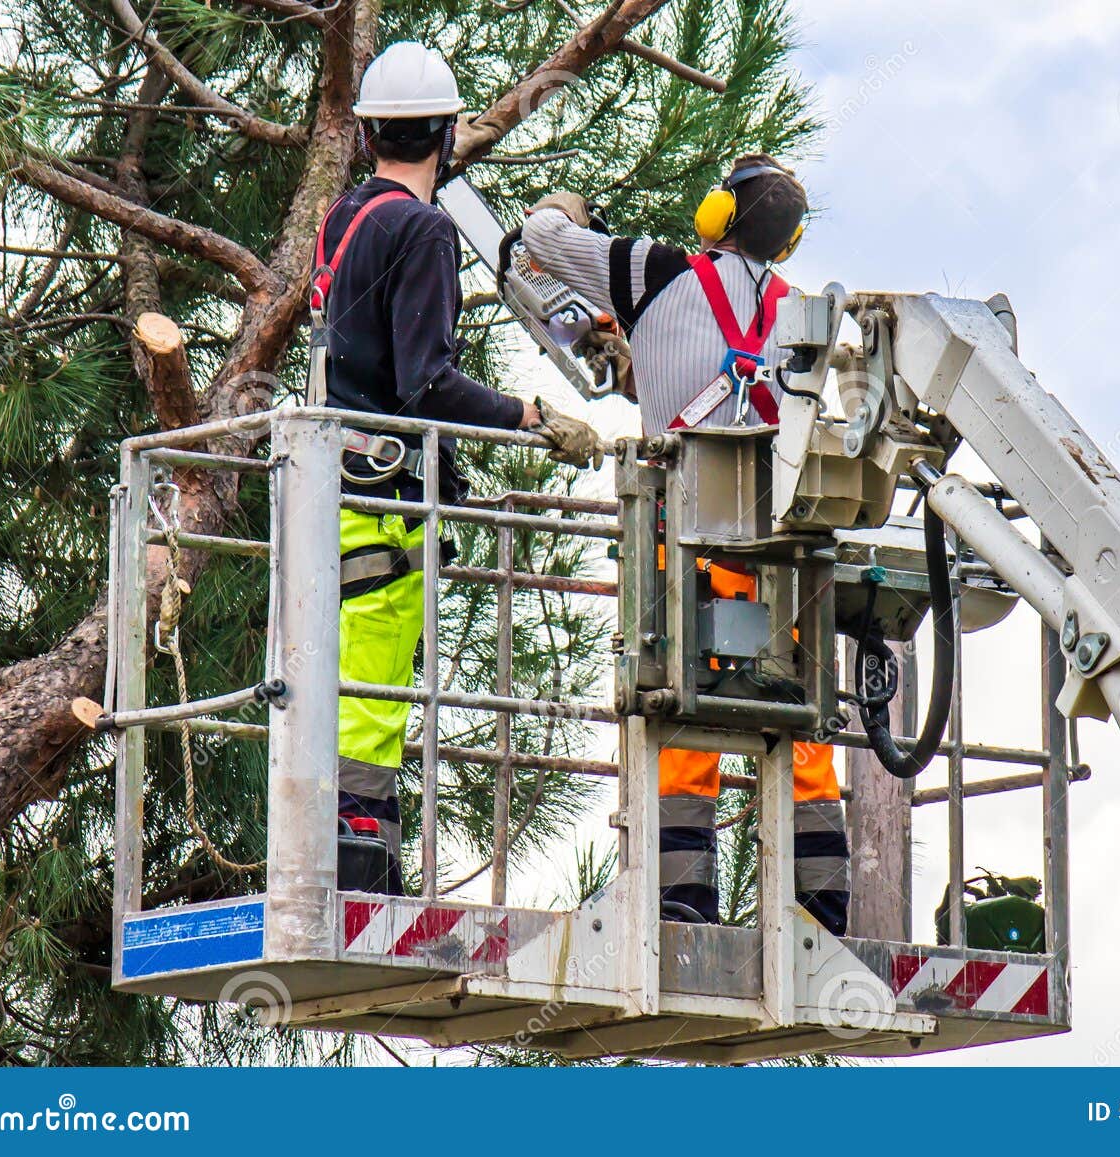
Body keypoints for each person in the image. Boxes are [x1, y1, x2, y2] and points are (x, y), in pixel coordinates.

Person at [519, 156, 849, 936]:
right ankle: (821, 908)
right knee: (804, 732)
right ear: (788, 242)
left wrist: (569, 207)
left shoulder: (654, 272)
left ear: (715, 215)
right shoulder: (803, 314)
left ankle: (682, 900)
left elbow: (539, 238)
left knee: (679, 718)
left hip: (685, 545)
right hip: (781, 558)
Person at [318, 41, 603, 893]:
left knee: (334, 686)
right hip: (384, 504)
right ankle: (360, 875)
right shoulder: (425, 229)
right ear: (445, 135)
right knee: (371, 699)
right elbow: (427, 384)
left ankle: (342, 856)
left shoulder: (345, 219)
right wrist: (529, 416)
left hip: (330, 491)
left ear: (368, 135)